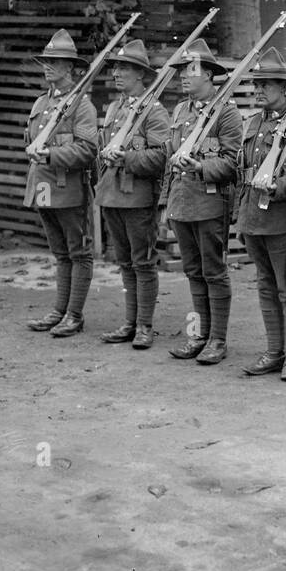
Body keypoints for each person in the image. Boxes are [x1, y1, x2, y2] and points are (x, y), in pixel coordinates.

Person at [236, 47, 286, 381]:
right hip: (255, 219)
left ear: (285, 89)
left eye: (266, 85)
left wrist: (278, 187)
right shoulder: (253, 123)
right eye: (257, 85)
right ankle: (274, 351)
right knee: (266, 287)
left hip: (285, 222)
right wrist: (241, 218)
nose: (258, 91)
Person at [163, 39, 243, 365]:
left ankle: (218, 340)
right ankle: (198, 335)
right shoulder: (180, 111)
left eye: (191, 69)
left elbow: (233, 163)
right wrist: (167, 204)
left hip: (210, 203)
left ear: (209, 74)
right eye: (181, 70)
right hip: (182, 203)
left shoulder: (227, 113)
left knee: (213, 271)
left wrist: (200, 167)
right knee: (192, 272)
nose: (184, 76)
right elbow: (170, 160)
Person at [94, 39, 169, 349]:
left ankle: (145, 325)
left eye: (124, 68)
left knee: (143, 262)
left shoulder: (154, 111)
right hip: (112, 195)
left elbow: (160, 157)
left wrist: (126, 158)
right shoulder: (114, 108)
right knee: (124, 262)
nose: (116, 74)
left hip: (138, 197)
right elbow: (101, 146)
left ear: (140, 74)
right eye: (115, 68)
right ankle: (129, 321)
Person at [24, 29, 99, 337]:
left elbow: (87, 149)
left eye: (55, 62)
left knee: (79, 251)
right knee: (59, 252)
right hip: (42, 186)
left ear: (70, 67)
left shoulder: (82, 105)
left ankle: (74, 314)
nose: (48, 67)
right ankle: (59, 309)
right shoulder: (41, 102)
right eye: (46, 61)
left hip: (69, 188)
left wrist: (50, 154)